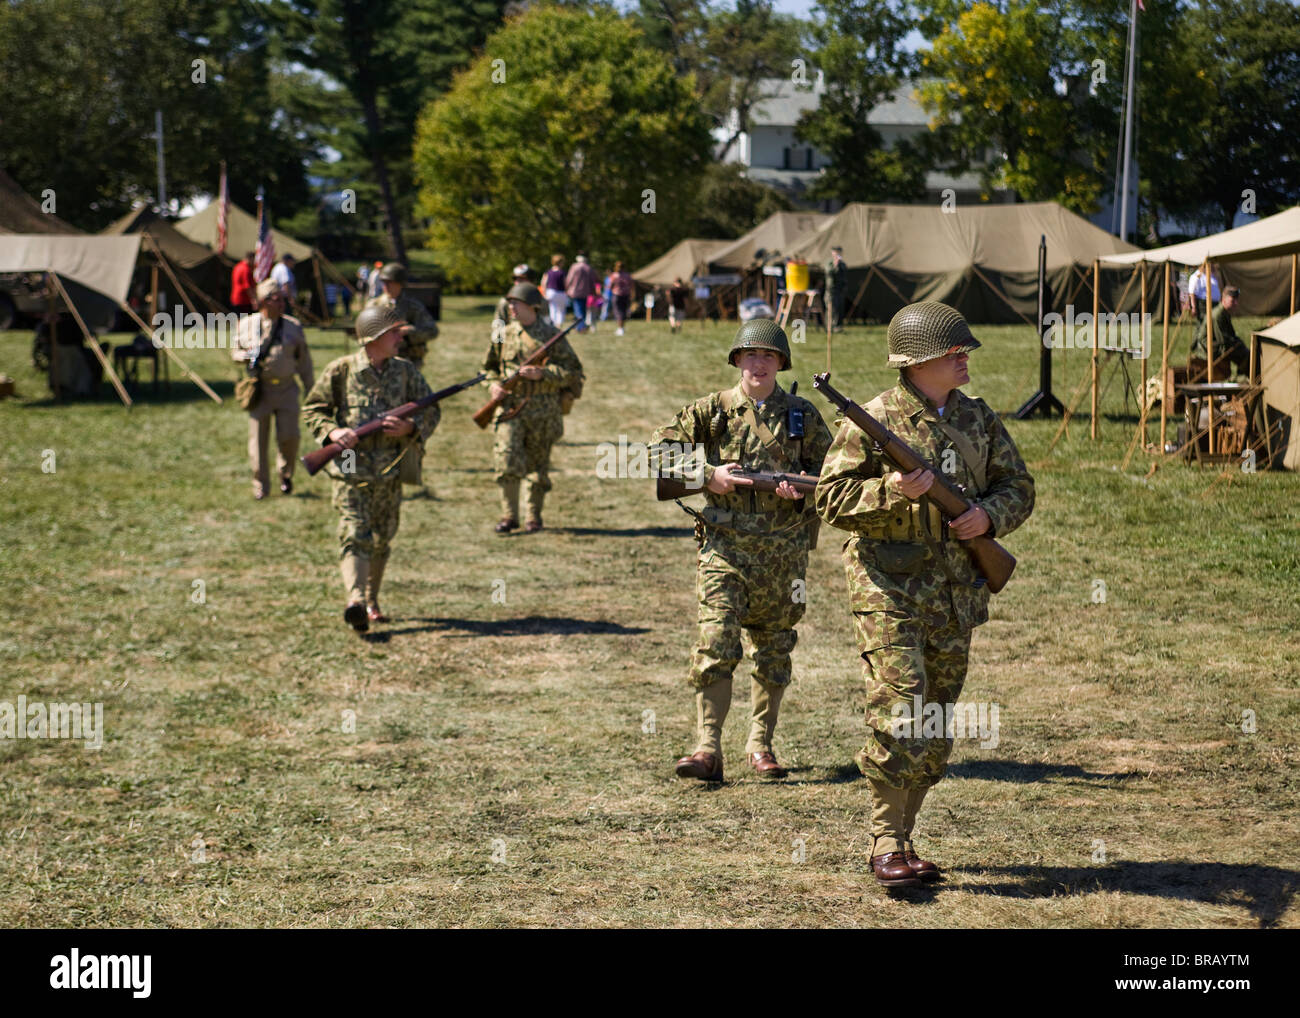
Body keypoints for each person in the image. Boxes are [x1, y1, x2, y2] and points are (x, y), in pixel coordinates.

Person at [815, 301, 1035, 888]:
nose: (964, 358)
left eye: (963, 350)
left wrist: (986, 518)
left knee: (935, 716)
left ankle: (907, 839)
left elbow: (1019, 485)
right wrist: (891, 491)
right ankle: (884, 842)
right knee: (900, 706)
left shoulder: (979, 419)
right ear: (916, 362)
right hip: (887, 588)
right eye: (953, 351)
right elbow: (830, 500)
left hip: (955, 592)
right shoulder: (871, 420)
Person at [652, 320, 833, 783]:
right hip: (724, 550)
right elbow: (656, 452)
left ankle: (761, 746)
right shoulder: (712, 411)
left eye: (768, 356)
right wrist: (707, 474)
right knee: (715, 642)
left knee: (774, 649)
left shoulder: (803, 415)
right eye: (750, 355)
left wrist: (805, 492)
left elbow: (834, 475)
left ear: (781, 363)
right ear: (736, 360)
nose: (758, 363)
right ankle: (707, 748)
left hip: (784, 554)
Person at [301, 305, 440, 631]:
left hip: (390, 468)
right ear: (373, 338)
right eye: (394, 333)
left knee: (381, 538)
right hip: (350, 465)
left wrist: (411, 428)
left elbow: (432, 410)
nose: (400, 338)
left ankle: (371, 599)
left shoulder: (406, 371)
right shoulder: (341, 370)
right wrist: (333, 432)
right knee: (354, 533)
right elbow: (314, 409)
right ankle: (356, 601)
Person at [481, 282, 583, 535]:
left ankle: (533, 517)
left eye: (515, 303)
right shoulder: (503, 334)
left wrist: (544, 374)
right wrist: (493, 386)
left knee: (538, 467)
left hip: (543, 409)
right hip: (509, 407)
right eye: (510, 304)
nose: (510, 308)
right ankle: (509, 515)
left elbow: (573, 372)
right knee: (505, 460)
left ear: (531, 306)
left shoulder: (551, 335)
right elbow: (487, 369)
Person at [231, 279, 314, 500]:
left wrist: (311, 390)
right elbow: (235, 351)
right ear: (262, 302)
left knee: (290, 437)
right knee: (258, 441)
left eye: (282, 299)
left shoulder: (293, 326)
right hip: (261, 390)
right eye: (275, 299)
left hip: (287, 389)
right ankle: (261, 485)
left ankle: (286, 475)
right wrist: (246, 357)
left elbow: (304, 361)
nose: (281, 303)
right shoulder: (246, 324)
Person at [365, 263, 438, 369]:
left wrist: (409, 331)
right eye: (384, 282)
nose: (386, 286)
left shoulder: (413, 306)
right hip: (378, 361)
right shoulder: (373, 305)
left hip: (407, 362)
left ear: (400, 283)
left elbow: (432, 331)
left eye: (390, 282)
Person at [1190, 285, 1250, 378]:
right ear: (1224, 299)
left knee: (1243, 350)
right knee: (1243, 354)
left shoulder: (1224, 312)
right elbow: (1222, 340)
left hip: (1215, 344)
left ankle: (1242, 377)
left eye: (1236, 300)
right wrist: (1237, 345)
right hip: (1207, 349)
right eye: (1233, 300)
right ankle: (1240, 379)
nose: (1236, 303)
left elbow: (1230, 335)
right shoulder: (1218, 315)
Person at [565, 254, 596, 333]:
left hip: (575, 291)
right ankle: (582, 325)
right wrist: (593, 291)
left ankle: (581, 327)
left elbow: (569, 278)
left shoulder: (574, 267)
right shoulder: (588, 268)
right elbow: (592, 281)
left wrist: (566, 287)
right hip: (585, 292)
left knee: (578, 310)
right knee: (583, 310)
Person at [824, 245, 847, 332]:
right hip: (831, 290)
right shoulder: (829, 263)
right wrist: (835, 265)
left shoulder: (843, 264)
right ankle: (829, 327)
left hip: (840, 290)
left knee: (839, 309)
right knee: (831, 309)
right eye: (835, 252)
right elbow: (829, 272)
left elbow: (844, 275)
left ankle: (838, 326)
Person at [608, 260, 633, 336]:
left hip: (617, 295)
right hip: (626, 295)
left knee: (618, 312)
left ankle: (620, 328)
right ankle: (621, 327)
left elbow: (610, 286)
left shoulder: (614, 275)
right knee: (624, 312)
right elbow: (631, 285)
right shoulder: (627, 275)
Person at [543, 254, 567, 327]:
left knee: (553, 309)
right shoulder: (562, 272)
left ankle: (553, 325)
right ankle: (559, 325)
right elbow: (565, 283)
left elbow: (543, 283)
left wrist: (544, 294)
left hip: (550, 292)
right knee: (561, 310)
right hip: (561, 292)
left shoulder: (548, 272)